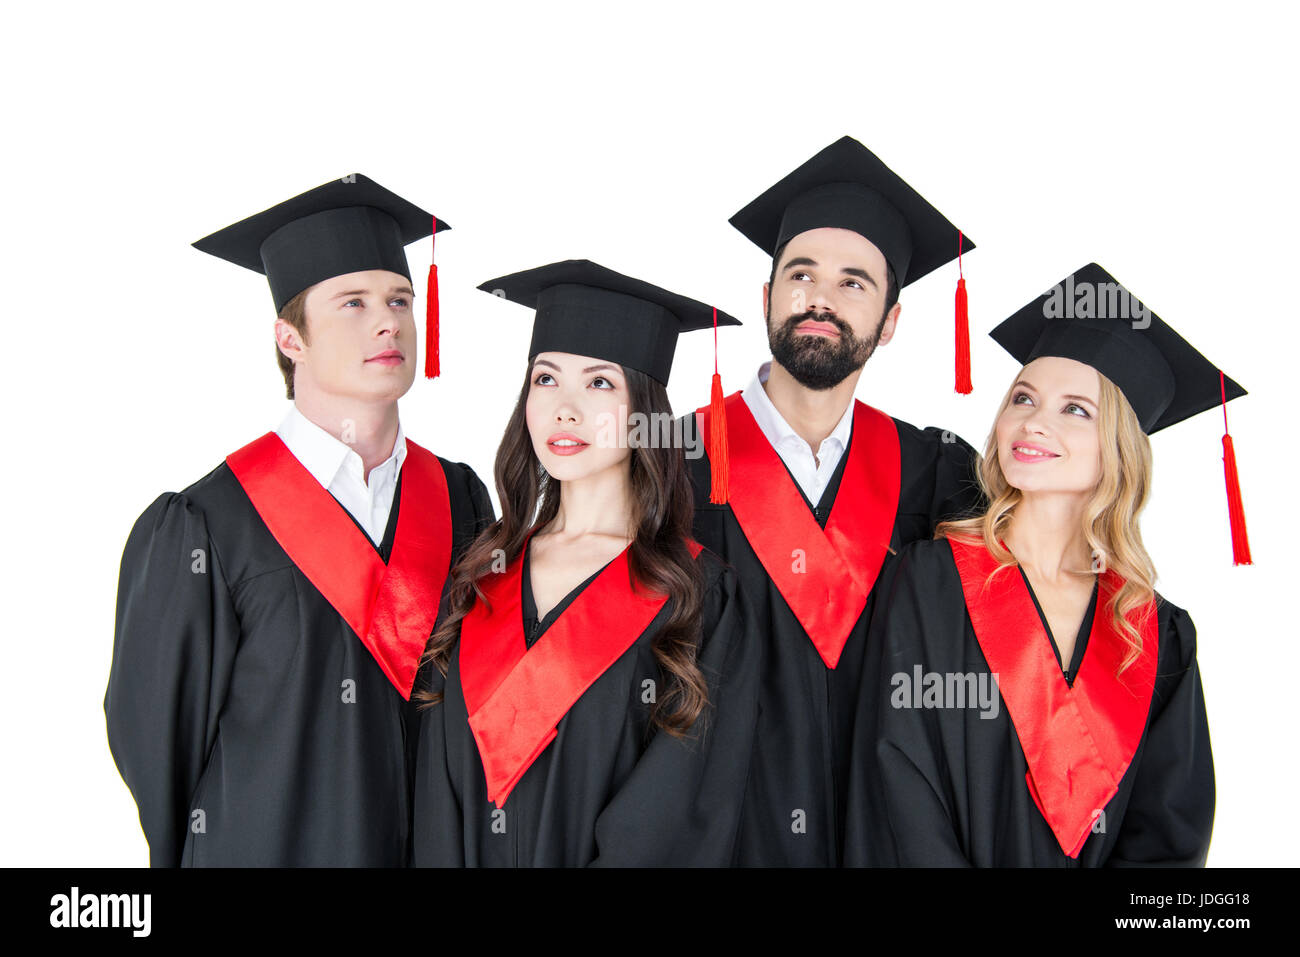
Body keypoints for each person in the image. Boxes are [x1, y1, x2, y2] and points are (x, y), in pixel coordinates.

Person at [104, 174, 494, 866]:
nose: (388, 321)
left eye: (399, 299)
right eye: (353, 303)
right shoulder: (207, 525)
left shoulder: (459, 498)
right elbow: (157, 744)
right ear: (290, 337)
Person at [844, 263, 1229, 866]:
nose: (1034, 421)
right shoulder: (929, 580)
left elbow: (1168, 836)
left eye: (1076, 409)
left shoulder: (1154, 633)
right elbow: (897, 782)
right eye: (1023, 398)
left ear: (1119, 449)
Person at [685, 135, 986, 865]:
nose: (820, 297)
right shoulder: (670, 462)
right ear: (765, 299)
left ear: (890, 320)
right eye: (801, 274)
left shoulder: (939, 472)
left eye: (855, 282)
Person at [413, 260, 761, 866]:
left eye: (599, 384)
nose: (564, 409)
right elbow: (437, 793)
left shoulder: (698, 596)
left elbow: (676, 814)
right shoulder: (480, 574)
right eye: (545, 379)